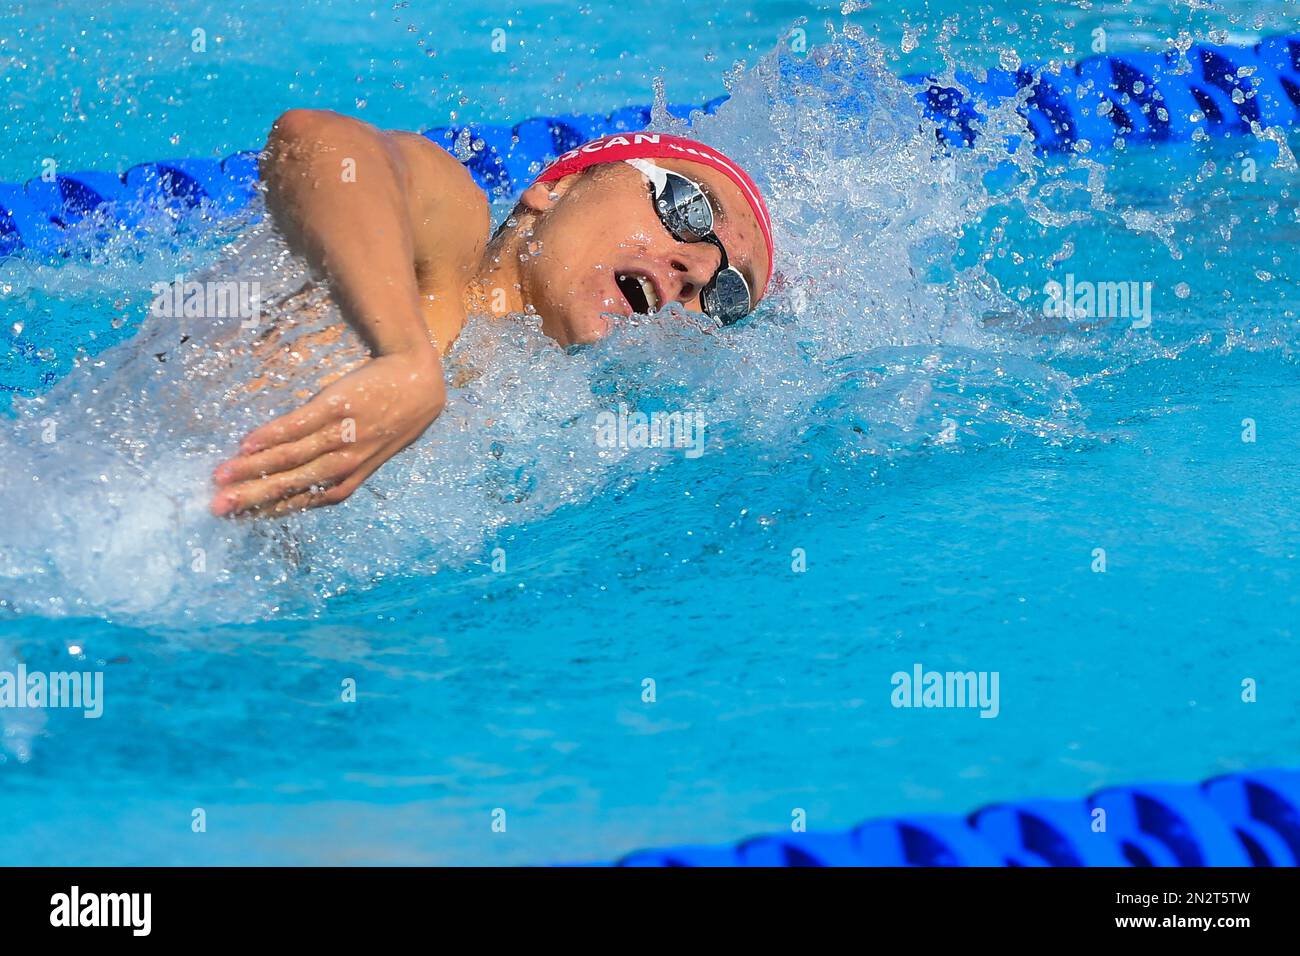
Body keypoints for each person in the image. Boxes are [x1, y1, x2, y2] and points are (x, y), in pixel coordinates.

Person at [209, 112, 775, 517]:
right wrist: (403, 351)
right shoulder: (446, 246)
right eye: (686, 206)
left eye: (727, 294)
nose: (700, 268)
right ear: (557, 187)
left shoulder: (552, 450)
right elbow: (317, 142)